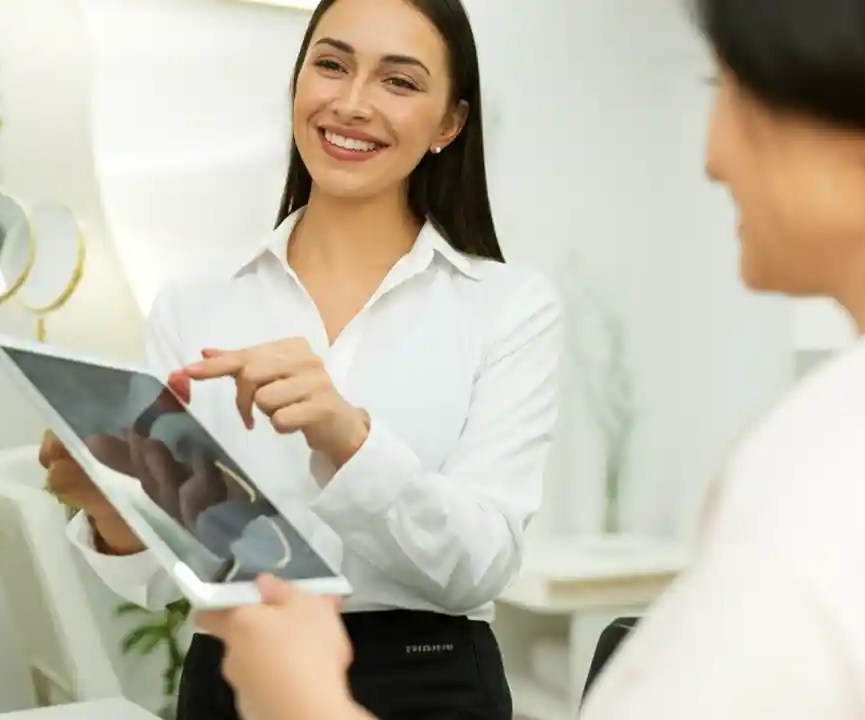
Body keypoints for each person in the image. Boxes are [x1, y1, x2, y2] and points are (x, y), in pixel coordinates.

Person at [189, 0, 865, 717]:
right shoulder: (862, 425)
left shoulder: (861, 455)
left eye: (733, 94)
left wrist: (302, 699)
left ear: (861, 123)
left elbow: (480, 563)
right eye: (332, 64)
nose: (712, 155)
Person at [39, 0, 564, 717]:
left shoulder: (507, 306)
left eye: (399, 81)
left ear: (450, 123)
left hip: (429, 685)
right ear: (298, 82)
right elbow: (168, 578)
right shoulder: (195, 302)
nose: (352, 103)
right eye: (332, 65)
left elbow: (480, 568)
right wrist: (112, 508)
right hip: (235, 680)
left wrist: (350, 439)